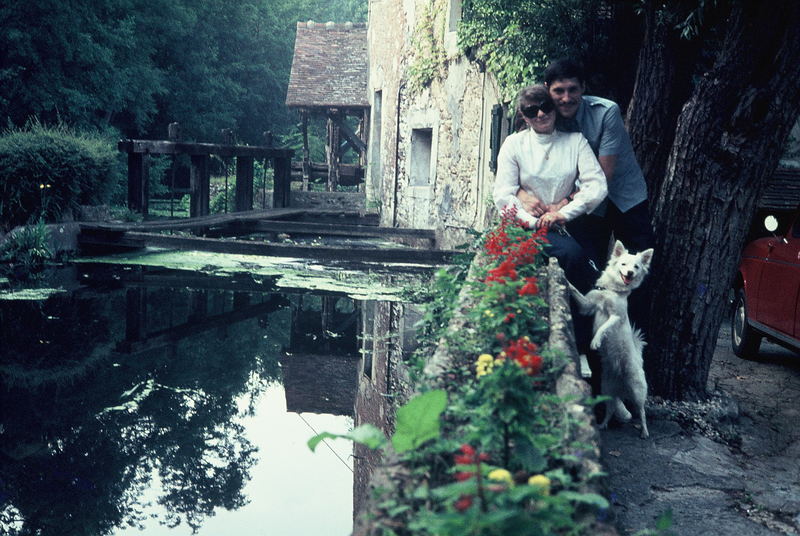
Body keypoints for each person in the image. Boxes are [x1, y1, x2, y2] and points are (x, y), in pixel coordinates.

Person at [493, 84, 607, 296]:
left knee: (597, 269)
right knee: (572, 255)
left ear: (554, 107)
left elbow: (596, 185)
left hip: (568, 222)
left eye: (545, 106)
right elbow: (503, 193)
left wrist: (563, 213)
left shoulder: (575, 141)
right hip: (528, 226)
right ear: (524, 116)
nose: (540, 114)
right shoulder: (513, 144)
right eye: (531, 110)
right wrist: (534, 222)